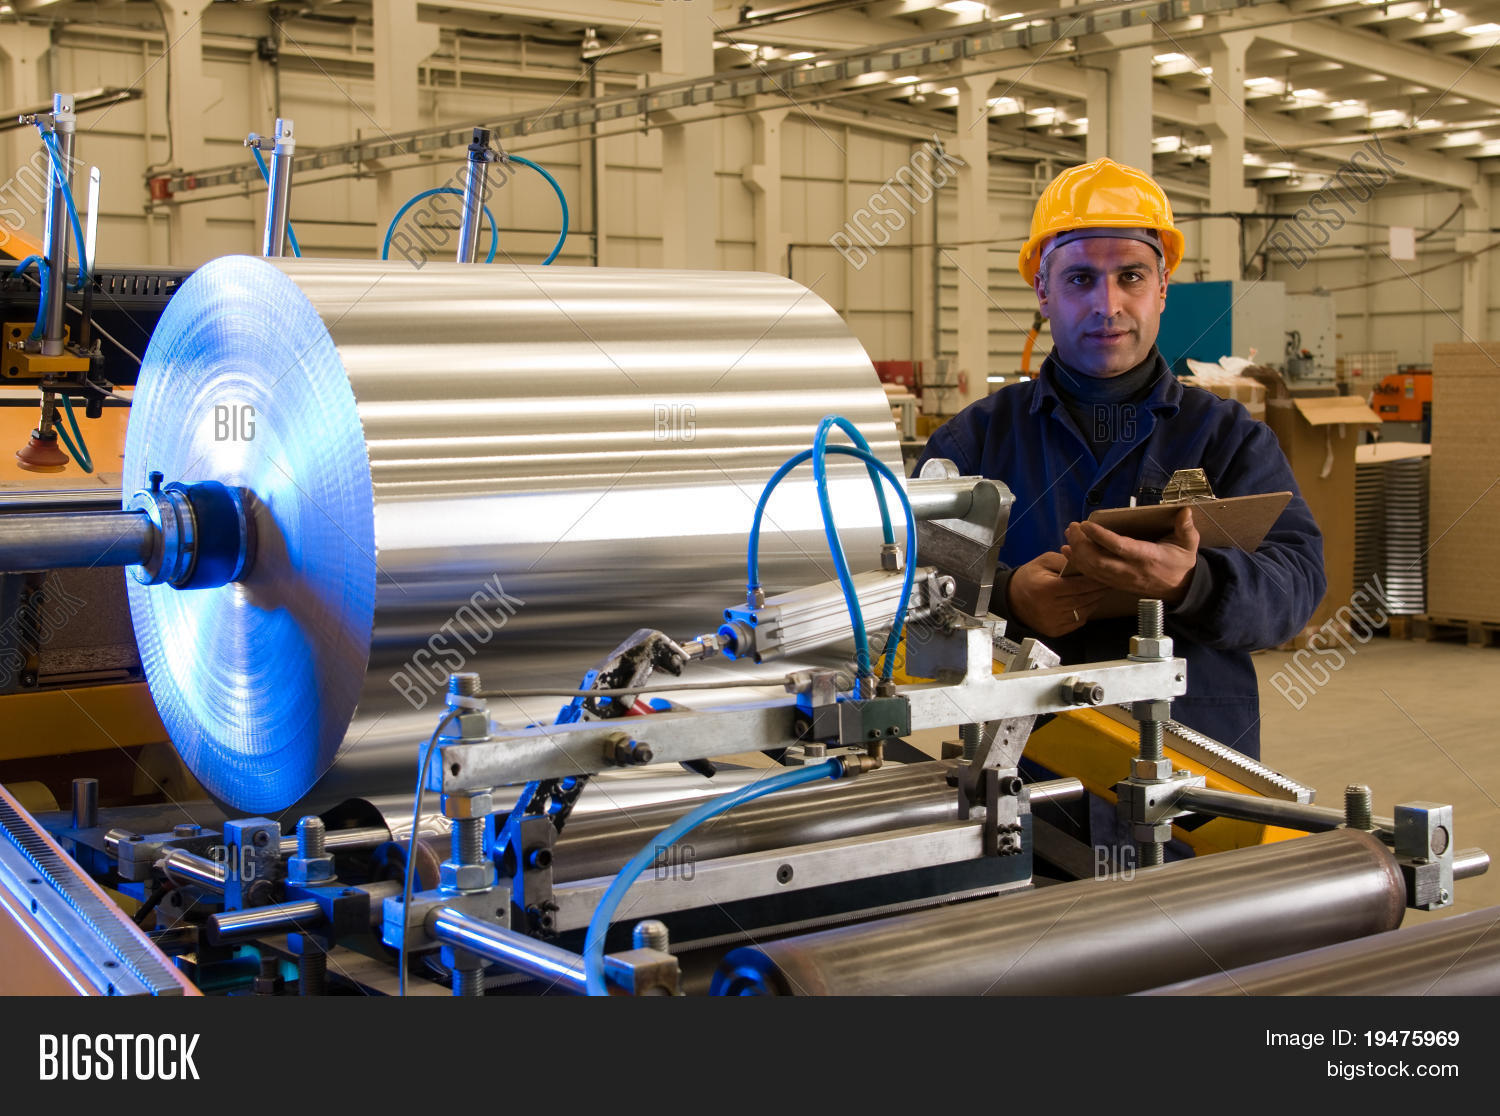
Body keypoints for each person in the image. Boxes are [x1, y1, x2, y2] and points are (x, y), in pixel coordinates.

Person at [915, 157, 1325, 761]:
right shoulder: (973, 443)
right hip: (1024, 766)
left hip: (1193, 762)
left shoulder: (1230, 439)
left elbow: (1298, 582)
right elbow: (909, 593)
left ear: (1162, 288)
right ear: (1042, 292)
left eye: (1130, 276)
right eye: (1080, 278)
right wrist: (1006, 599)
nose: (1108, 304)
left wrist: (1193, 584)